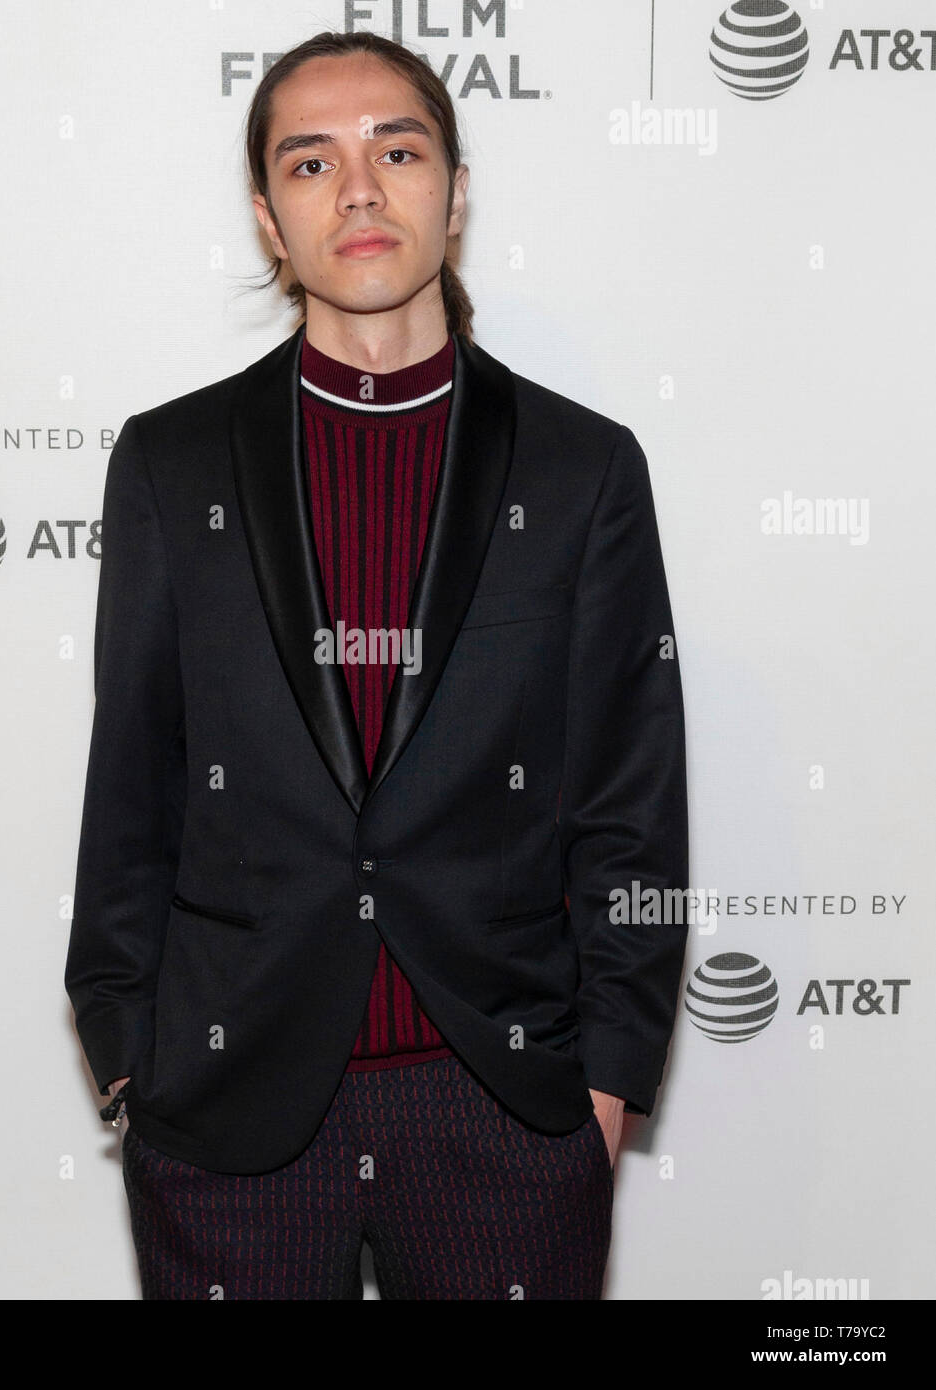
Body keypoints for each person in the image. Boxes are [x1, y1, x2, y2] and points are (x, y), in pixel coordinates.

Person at [65, 28, 688, 1301]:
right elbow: (134, 775)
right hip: (230, 1118)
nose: (359, 188)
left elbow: (632, 806)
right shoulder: (171, 468)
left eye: (396, 150)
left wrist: (608, 1083)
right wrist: (129, 1050)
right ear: (267, 219)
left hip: (503, 1112)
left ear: (454, 194)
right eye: (311, 163)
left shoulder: (583, 472)